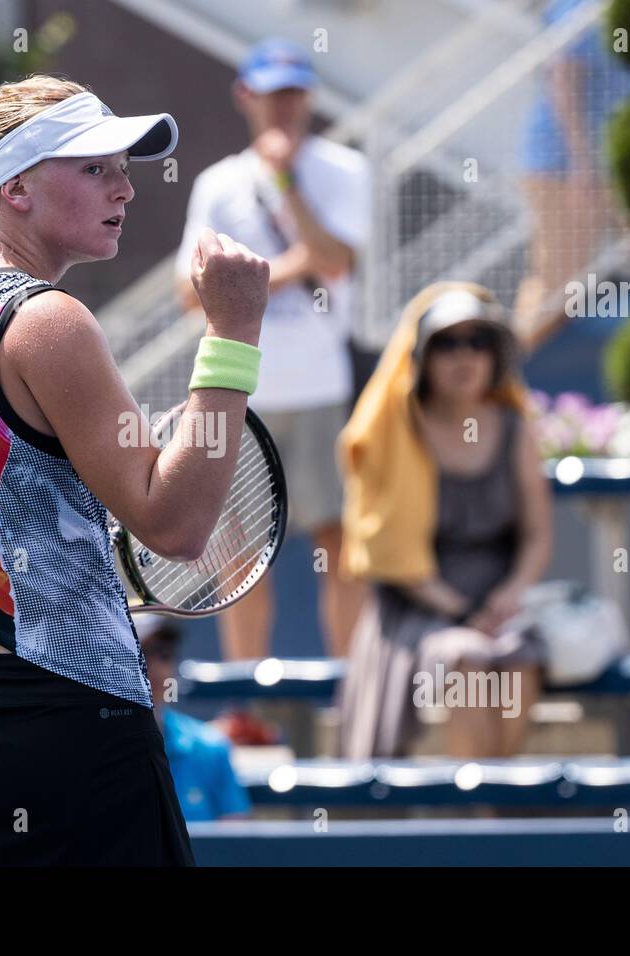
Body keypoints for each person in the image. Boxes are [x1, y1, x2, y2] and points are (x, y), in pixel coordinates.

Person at [0, 75, 271, 865]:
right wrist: (235, 331)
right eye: (95, 168)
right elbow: (177, 526)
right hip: (61, 745)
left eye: (123, 168)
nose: (125, 187)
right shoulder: (50, 321)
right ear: (17, 188)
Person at [175, 38, 371, 665]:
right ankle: (245, 704)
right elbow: (190, 291)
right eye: (272, 93)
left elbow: (336, 260)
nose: (284, 106)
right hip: (243, 392)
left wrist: (285, 180)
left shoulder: (344, 168)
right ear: (246, 97)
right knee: (235, 551)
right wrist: (279, 272)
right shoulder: (218, 183)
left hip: (320, 388)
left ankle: (349, 697)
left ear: (309, 97)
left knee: (340, 547)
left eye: (293, 92)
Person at [336, 284, 553, 759]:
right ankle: (477, 815)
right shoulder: (393, 428)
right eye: (448, 343)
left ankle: (497, 807)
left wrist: (507, 598)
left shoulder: (514, 427)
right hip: (418, 610)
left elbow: (537, 535)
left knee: (517, 656)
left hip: (500, 608)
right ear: (423, 356)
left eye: (478, 341)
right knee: (467, 656)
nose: (464, 356)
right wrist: (460, 611)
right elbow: (388, 553)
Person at [513, 0, 630, 353]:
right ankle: (513, 377)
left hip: (617, 166)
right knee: (560, 284)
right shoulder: (579, 6)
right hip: (565, 166)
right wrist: (582, 165)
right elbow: (563, 79)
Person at [136, 615, 251, 822]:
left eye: (164, 654)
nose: (155, 668)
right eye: (141, 653)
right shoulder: (96, 753)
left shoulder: (211, 747)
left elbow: (236, 845)